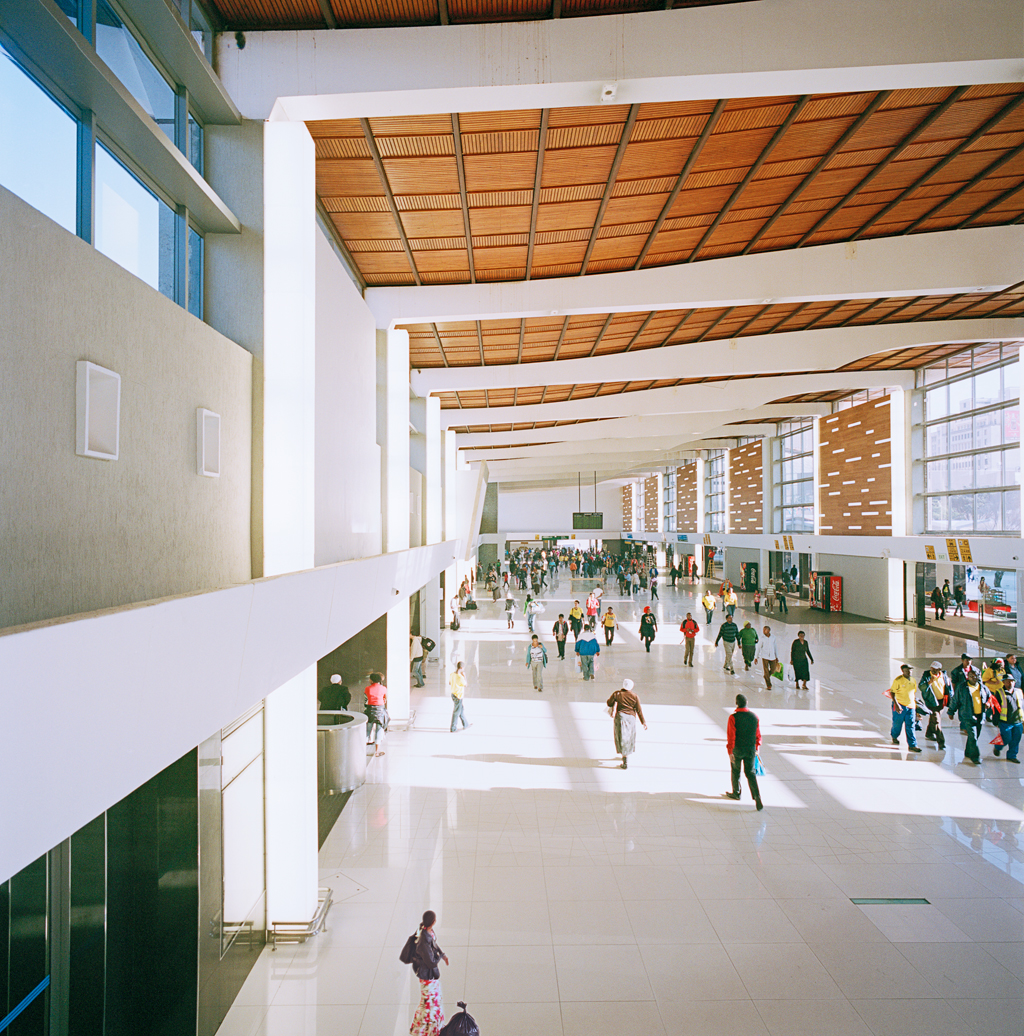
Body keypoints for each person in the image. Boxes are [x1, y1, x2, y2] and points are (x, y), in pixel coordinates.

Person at [410, 910, 448, 1036]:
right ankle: (424, 1030)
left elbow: (434, 944)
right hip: (427, 977)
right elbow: (431, 963)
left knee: (433, 1002)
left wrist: (442, 954)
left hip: (430, 976)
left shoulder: (428, 932)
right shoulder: (423, 941)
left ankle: (430, 1028)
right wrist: (439, 957)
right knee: (429, 1004)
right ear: (433, 922)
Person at [725, 694, 762, 810]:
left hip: (737, 749)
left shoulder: (733, 718)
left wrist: (730, 751)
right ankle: (757, 797)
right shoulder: (754, 717)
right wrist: (757, 748)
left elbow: (731, 736)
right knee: (750, 773)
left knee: (735, 771)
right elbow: (758, 735)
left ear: (736, 703)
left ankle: (736, 793)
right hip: (750, 750)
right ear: (747, 702)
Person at [607, 678, 647, 770]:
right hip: (631, 719)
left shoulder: (617, 694)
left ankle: (625, 760)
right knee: (629, 737)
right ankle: (626, 754)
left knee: (620, 737)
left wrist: (614, 702)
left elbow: (609, 703)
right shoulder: (635, 696)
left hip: (620, 718)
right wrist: (643, 722)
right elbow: (639, 710)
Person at [949, 670, 986, 764]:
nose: (974, 678)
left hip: (980, 716)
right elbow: (955, 700)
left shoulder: (983, 687)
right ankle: (975, 757)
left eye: (976, 675)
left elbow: (989, 698)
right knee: (973, 736)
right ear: (968, 677)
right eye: (971, 676)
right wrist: (951, 711)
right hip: (967, 716)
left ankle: (968, 752)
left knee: (974, 737)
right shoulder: (962, 687)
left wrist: (988, 704)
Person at [888, 664, 922, 752]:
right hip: (900, 705)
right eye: (907, 670)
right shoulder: (898, 680)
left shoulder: (913, 680)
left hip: (911, 707)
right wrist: (897, 705)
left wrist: (916, 709)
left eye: (910, 670)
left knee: (910, 726)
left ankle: (913, 745)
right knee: (897, 724)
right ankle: (894, 736)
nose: (909, 672)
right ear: (903, 671)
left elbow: (913, 694)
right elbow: (892, 693)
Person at [918, 661, 950, 749]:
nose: (933, 671)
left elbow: (948, 687)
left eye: (935, 669)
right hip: (931, 702)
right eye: (932, 668)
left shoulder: (944, 676)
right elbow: (921, 687)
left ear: (939, 669)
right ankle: (941, 742)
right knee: (936, 720)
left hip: (941, 702)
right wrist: (929, 682)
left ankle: (929, 733)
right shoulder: (927, 675)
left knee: (934, 719)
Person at [992, 675, 1023, 763]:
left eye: (1012, 681)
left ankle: (1012, 756)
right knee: (1006, 738)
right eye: (1008, 681)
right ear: (1004, 682)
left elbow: (1022, 705)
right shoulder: (999, 692)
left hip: (1017, 721)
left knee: (1016, 739)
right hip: (1005, 721)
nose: (1010, 683)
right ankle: (997, 747)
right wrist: (995, 720)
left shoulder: (1019, 691)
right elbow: (996, 707)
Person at [364, 672, 388, 757]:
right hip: (380, 710)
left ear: (371, 680)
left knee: (367, 730)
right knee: (379, 730)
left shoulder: (368, 688)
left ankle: (363, 750)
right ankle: (377, 751)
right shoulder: (383, 688)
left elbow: (366, 699)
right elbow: (385, 699)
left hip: (370, 710)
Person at [754, 625, 780, 690]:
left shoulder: (773, 637)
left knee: (773, 670)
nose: (763, 631)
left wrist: (777, 656)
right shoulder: (762, 638)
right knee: (766, 670)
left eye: (765, 630)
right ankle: (769, 685)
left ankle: (766, 676)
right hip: (765, 656)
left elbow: (775, 647)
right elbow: (758, 648)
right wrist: (756, 657)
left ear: (769, 631)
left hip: (772, 656)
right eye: (763, 630)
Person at [449, 661, 469, 732]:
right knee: (456, 712)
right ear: (462, 668)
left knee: (461, 710)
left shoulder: (452, 674)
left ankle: (466, 724)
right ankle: (453, 727)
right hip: (458, 696)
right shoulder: (460, 677)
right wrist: (464, 676)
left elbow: (450, 683)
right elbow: (465, 684)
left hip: (453, 694)